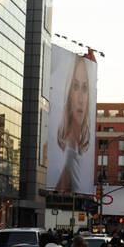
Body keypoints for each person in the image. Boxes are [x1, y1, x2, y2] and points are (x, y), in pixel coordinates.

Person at [52, 56, 92, 193]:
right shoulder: (69, 157)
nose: (81, 99)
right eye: (75, 87)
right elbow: (58, 194)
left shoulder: (75, 151)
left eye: (85, 88)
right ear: (69, 93)